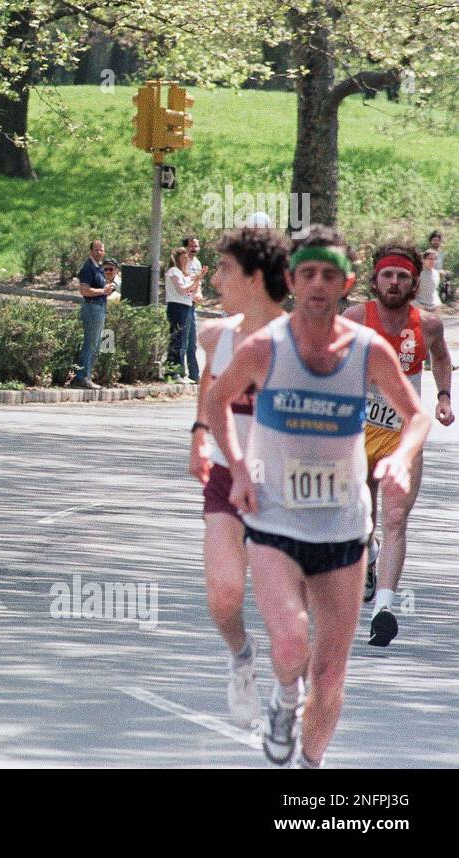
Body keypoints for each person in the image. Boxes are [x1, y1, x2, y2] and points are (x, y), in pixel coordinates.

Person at [205, 229, 429, 768]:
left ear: (348, 284)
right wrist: (237, 467)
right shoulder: (265, 348)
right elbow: (215, 403)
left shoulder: (366, 350)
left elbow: (415, 414)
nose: (318, 285)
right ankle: (284, 702)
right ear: (291, 280)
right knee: (289, 643)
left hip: (343, 529)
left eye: (330, 276)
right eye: (307, 274)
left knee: (330, 675)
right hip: (277, 523)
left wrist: (400, 457)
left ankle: (308, 767)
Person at [189, 224, 289, 726]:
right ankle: (241, 657)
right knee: (223, 591)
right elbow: (212, 390)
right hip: (230, 476)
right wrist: (199, 437)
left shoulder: (297, 343)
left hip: (285, 488)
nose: (213, 280)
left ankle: (290, 695)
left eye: (224, 269)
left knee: (283, 610)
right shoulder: (219, 336)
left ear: (254, 277)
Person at [341, 243, 452, 646]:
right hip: (356, 432)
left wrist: (443, 396)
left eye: (402, 276)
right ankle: (367, 558)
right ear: (375, 280)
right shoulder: (355, 319)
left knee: (395, 519)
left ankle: (383, 608)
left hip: (403, 434)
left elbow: (440, 358)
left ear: (414, 281)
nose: (394, 282)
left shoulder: (428, 324)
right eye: (387, 275)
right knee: (361, 519)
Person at [74, 240, 114, 390]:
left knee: (96, 344)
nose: (99, 253)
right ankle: (82, 377)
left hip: (100, 307)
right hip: (92, 308)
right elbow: (84, 291)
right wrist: (103, 291)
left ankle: (86, 375)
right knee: (90, 343)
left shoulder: (99, 268)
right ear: (91, 251)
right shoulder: (88, 268)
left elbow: (101, 287)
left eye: (101, 250)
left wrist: (108, 288)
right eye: (96, 250)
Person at [165, 247, 204, 383]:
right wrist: (195, 280)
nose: (186, 260)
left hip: (186, 306)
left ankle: (179, 372)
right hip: (176, 306)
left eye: (187, 258)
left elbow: (191, 290)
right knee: (177, 339)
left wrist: (197, 280)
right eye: (183, 258)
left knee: (183, 339)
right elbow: (182, 290)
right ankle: (173, 371)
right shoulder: (174, 272)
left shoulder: (183, 274)